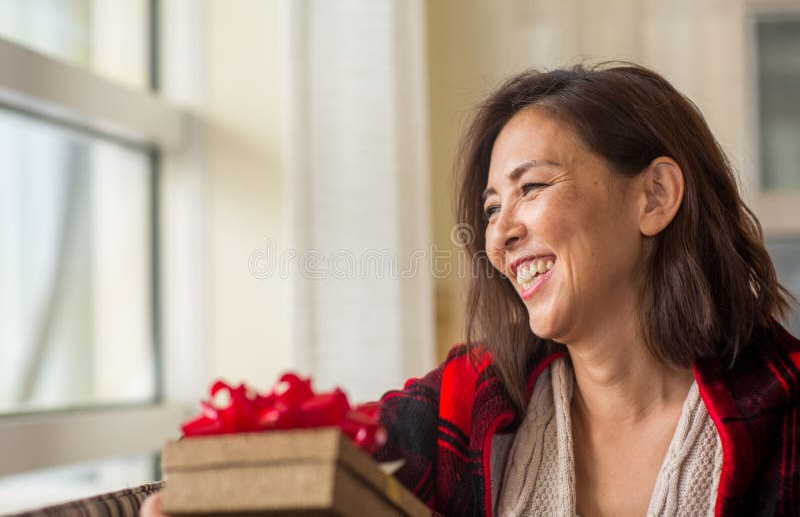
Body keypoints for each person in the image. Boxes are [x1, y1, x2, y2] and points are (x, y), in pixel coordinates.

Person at [142, 64, 800, 517]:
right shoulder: (466, 406)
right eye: (490, 208)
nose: (501, 234)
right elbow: (309, 475)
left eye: (531, 188)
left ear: (653, 197)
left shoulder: (785, 408)